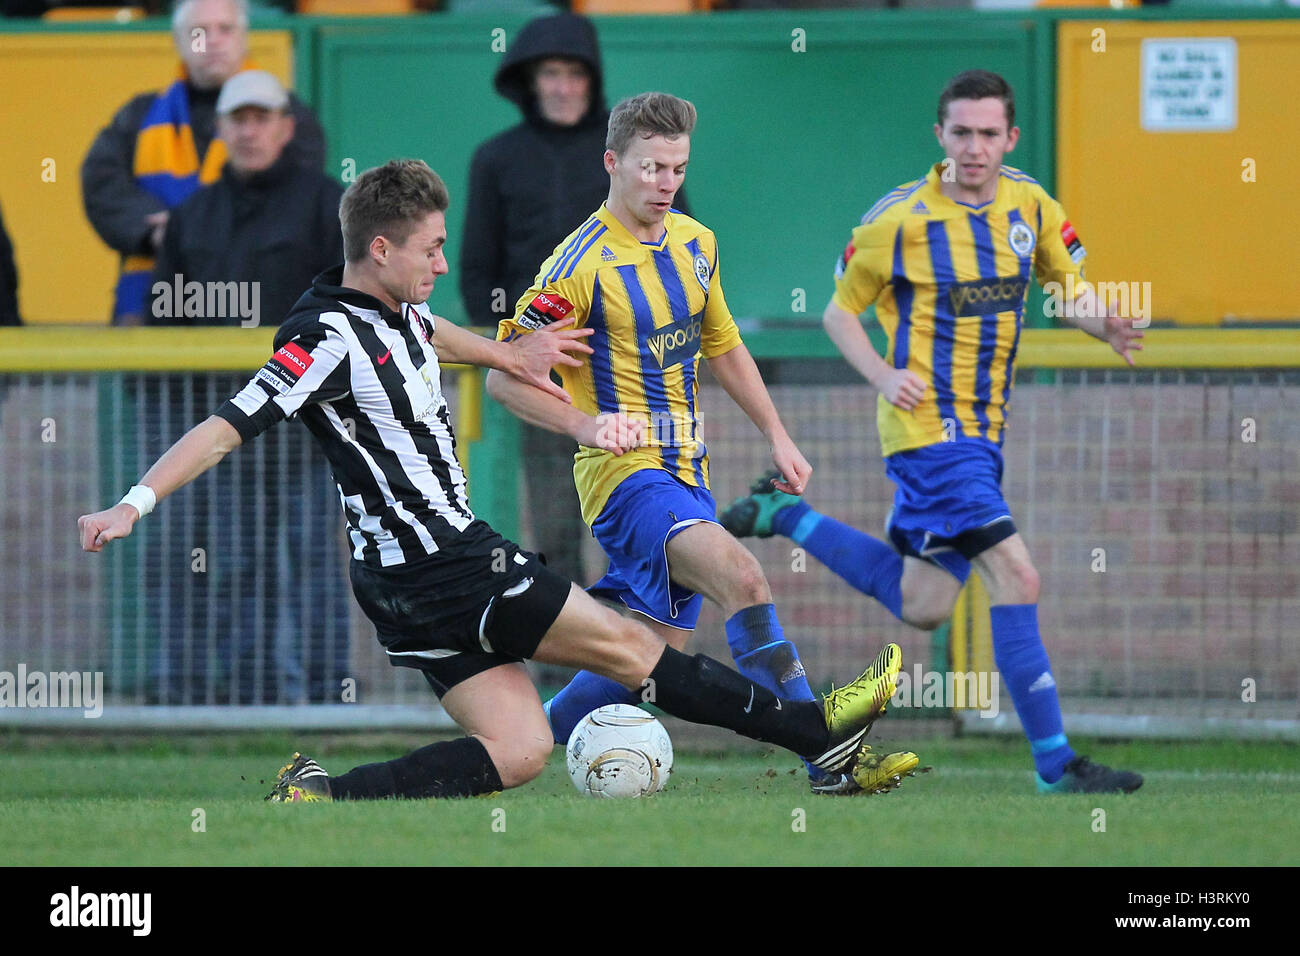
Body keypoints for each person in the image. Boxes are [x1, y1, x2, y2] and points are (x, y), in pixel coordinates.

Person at [77, 159, 904, 802]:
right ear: (380, 248)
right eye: (431, 248)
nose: (442, 261)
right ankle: (814, 733)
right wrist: (133, 502)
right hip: (445, 560)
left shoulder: (391, 309)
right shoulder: (323, 335)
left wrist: (508, 353)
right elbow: (226, 426)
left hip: (396, 582)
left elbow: (432, 329)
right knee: (633, 650)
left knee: (519, 752)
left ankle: (320, 793)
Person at [719, 70, 1144, 794]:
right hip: (926, 432)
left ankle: (782, 513)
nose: (974, 147)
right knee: (1018, 574)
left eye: (988, 134)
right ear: (939, 136)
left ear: (1009, 138)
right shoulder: (900, 220)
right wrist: (884, 376)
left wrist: (1101, 321)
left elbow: (1063, 289)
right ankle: (1056, 764)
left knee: (923, 604)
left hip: (984, 433)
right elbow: (837, 313)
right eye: (961, 132)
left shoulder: (1031, 206)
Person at [487, 92, 915, 796]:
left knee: (647, 659)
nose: (664, 183)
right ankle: (824, 754)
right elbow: (506, 377)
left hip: (688, 475)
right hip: (624, 480)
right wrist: (583, 424)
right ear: (612, 163)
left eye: (677, 168)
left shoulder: (696, 242)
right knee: (745, 577)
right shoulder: (577, 266)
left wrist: (777, 435)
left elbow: (722, 344)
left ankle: (499, 753)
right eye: (650, 167)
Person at [140, 69, 349, 705]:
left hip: (314, 423)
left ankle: (322, 694)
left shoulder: (327, 204)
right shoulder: (192, 216)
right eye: (239, 119)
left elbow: (354, 306)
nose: (250, 130)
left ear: (287, 127)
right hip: (227, 422)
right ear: (221, 130)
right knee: (233, 561)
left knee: (316, 558)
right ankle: (251, 695)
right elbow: (163, 316)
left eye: (263, 118)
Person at [460, 12, 688, 585]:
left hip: (633, 368)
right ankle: (568, 657)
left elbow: (678, 247)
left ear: (592, 80)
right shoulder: (496, 158)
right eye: (549, 73)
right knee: (556, 523)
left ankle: (638, 659)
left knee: (642, 516)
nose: (562, 86)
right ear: (530, 81)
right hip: (542, 369)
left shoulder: (632, 154)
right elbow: (475, 270)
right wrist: (520, 346)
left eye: (573, 73)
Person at [81, 0, 325, 325]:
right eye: (199, 32)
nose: (213, 41)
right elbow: (101, 183)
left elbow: (295, 194)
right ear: (178, 41)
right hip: (155, 299)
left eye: (226, 29)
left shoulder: (287, 114)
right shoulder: (138, 115)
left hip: (262, 299)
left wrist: (191, 229)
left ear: (244, 38)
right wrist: (151, 229)